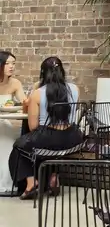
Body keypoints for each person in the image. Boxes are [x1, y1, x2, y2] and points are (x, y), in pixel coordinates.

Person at [9, 56, 83, 200]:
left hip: (48, 137)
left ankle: (31, 183)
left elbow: (33, 127)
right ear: (62, 71)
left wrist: (35, 89)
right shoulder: (75, 89)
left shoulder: (38, 94)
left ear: (43, 73)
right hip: (73, 137)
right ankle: (53, 178)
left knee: (19, 146)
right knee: (49, 147)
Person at [0, 51, 27, 195]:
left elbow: (25, 102)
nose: (11, 66)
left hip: (5, 122)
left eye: (13, 63)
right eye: (7, 63)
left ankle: (7, 182)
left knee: (8, 140)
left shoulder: (15, 83)